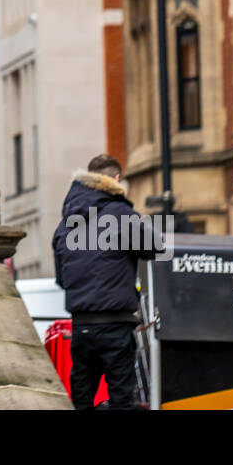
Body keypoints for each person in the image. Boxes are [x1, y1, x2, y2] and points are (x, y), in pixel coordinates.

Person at [51, 154, 163, 410]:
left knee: (82, 398)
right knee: (121, 398)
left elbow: (62, 278)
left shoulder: (66, 223)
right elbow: (155, 248)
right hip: (116, 325)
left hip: (81, 326)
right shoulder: (122, 214)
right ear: (116, 179)